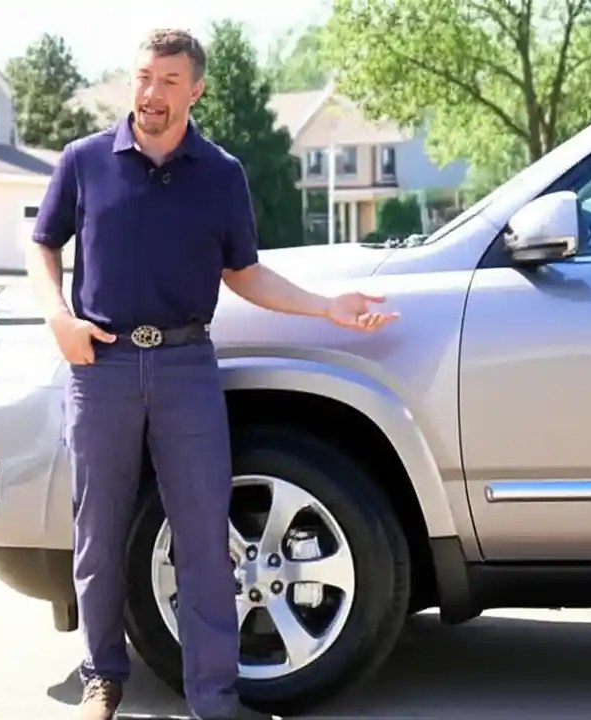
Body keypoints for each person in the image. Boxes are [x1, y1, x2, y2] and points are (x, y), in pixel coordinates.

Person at [24, 27, 398, 720]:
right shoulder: (85, 161)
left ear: (195, 89)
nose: (150, 93)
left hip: (186, 364)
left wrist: (327, 307)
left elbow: (244, 272)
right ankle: (102, 676)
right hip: (99, 365)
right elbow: (43, 242)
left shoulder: (221, 174)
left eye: (168, 81)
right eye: (142, 77)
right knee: (98, 531)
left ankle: (214, 699)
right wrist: (58, 319)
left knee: (203, 536)